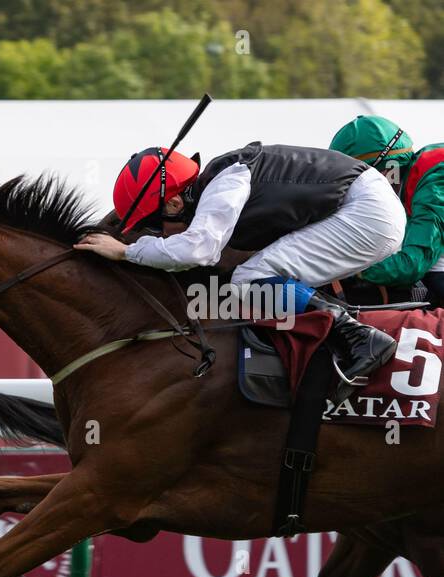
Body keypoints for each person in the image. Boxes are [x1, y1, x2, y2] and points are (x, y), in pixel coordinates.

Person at [75, 142, 406, 387]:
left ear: (175, 202)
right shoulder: (218, 184)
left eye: (156, 224)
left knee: (250, 280)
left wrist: (126, 252)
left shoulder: (225, 182)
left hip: (365, 213)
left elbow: (198, 250)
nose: (160, 234)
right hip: (363, 210)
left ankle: (360, 337)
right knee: (257, 277)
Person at [330, 115, 444, 308]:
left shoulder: (433, 183)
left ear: (385, 171)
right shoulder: (417, 177)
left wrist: (353, 270)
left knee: (431, 273)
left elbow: (412, 264)